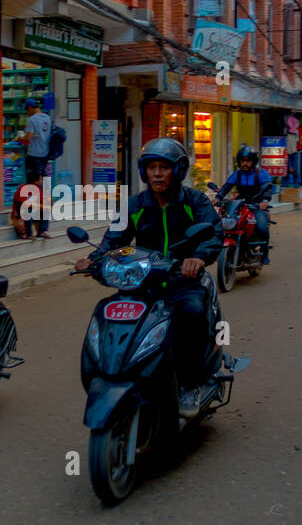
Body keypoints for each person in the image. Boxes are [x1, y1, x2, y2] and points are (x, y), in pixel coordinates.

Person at [75, 137, 222, 417]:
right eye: (151, 167)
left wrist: (198, 258)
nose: (156, 173)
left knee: (191, 311)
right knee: (111, 313)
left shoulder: (196, 201)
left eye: (163, 168)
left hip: (182, 280)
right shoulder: (133, 204)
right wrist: (93, 260)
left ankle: (189, 384)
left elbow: (212, 232)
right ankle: (116, 372)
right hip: (141, 281)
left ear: (177, 171)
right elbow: (113, 240)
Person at [217, 144, 274, 264]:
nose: (245, 164)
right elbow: (227, 186)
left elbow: (268, 188)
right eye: (242, 161)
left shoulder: (261, 173)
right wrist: (218, 197)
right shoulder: (237, 174)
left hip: (256, 206)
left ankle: (264, 253)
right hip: (240, 205)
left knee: (262, 227)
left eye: (248, 161)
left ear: (254, 161)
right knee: (225, 225)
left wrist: (264, 201)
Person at [17, 97, 52, 239]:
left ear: (30, 107)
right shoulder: (47, 118)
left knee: (30, 194)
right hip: (44, 156)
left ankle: (30, 232)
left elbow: (28, 137)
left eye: (27, 110)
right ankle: (42, 230)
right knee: (42, 196)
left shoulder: (32, 120)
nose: (27, 112)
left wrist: (19, 139)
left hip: (34, 155)